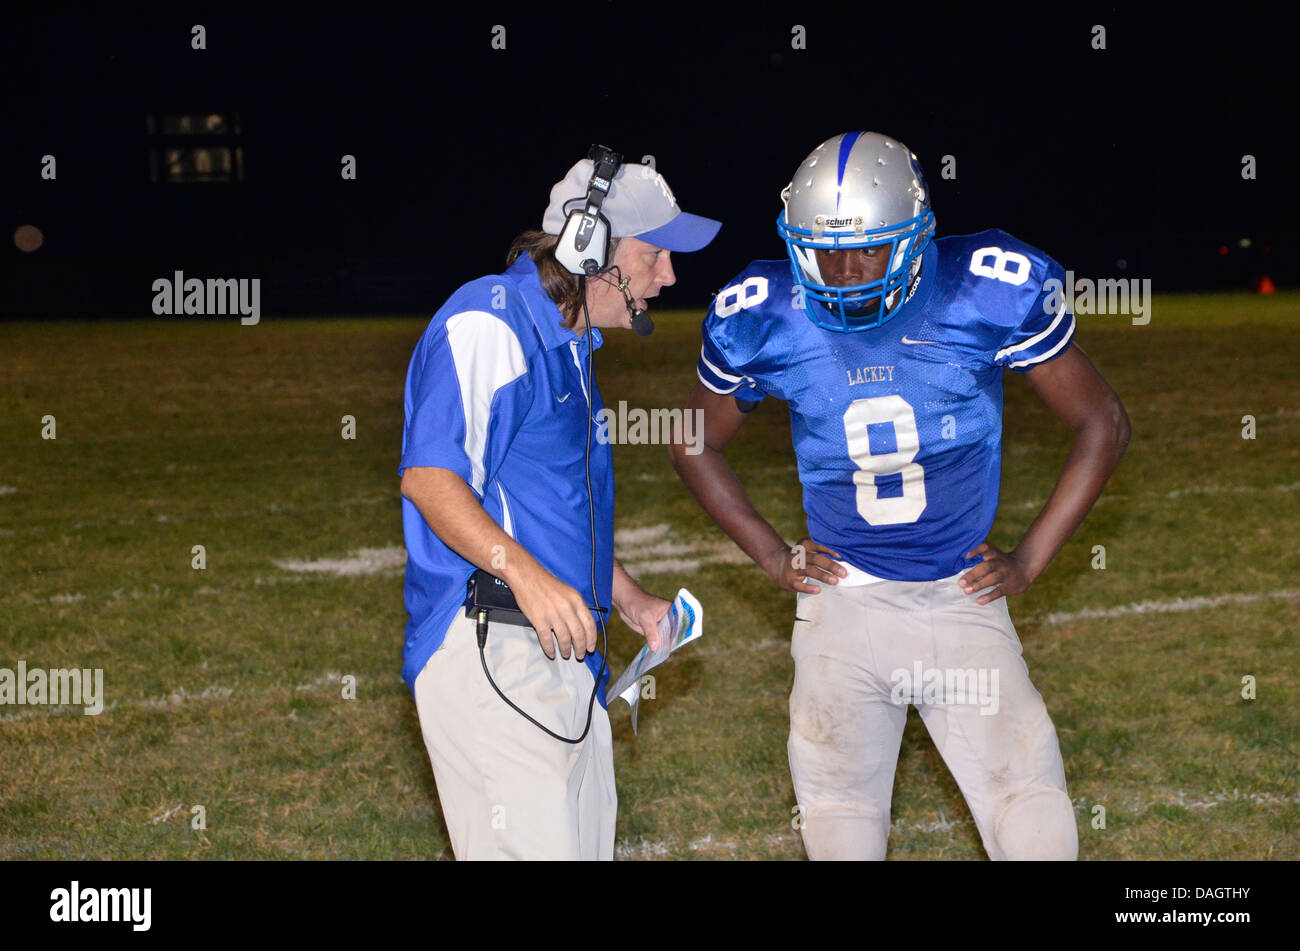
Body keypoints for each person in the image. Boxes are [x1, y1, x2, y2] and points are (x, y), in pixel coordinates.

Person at [669, 131, 1129, 860]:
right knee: (846, 816)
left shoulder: (978, 289)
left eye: (868, 250)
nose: (845, 272)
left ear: (916, 238)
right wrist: (770, 554)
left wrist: (1031, 560)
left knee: (1028, 809)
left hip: (959, 592)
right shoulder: (772, 310)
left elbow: (1102, 420)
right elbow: (692, 437)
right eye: (824, 250)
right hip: (843, 602)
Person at [398, 148, 720, 860]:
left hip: (559, 652)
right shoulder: (492, 320)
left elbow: (554, 514)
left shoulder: (571, 343)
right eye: (656, 254)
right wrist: (530, 577)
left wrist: (630, 601)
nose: (668, 275)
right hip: (493, 642)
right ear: (589, 245)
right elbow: (429, 476)